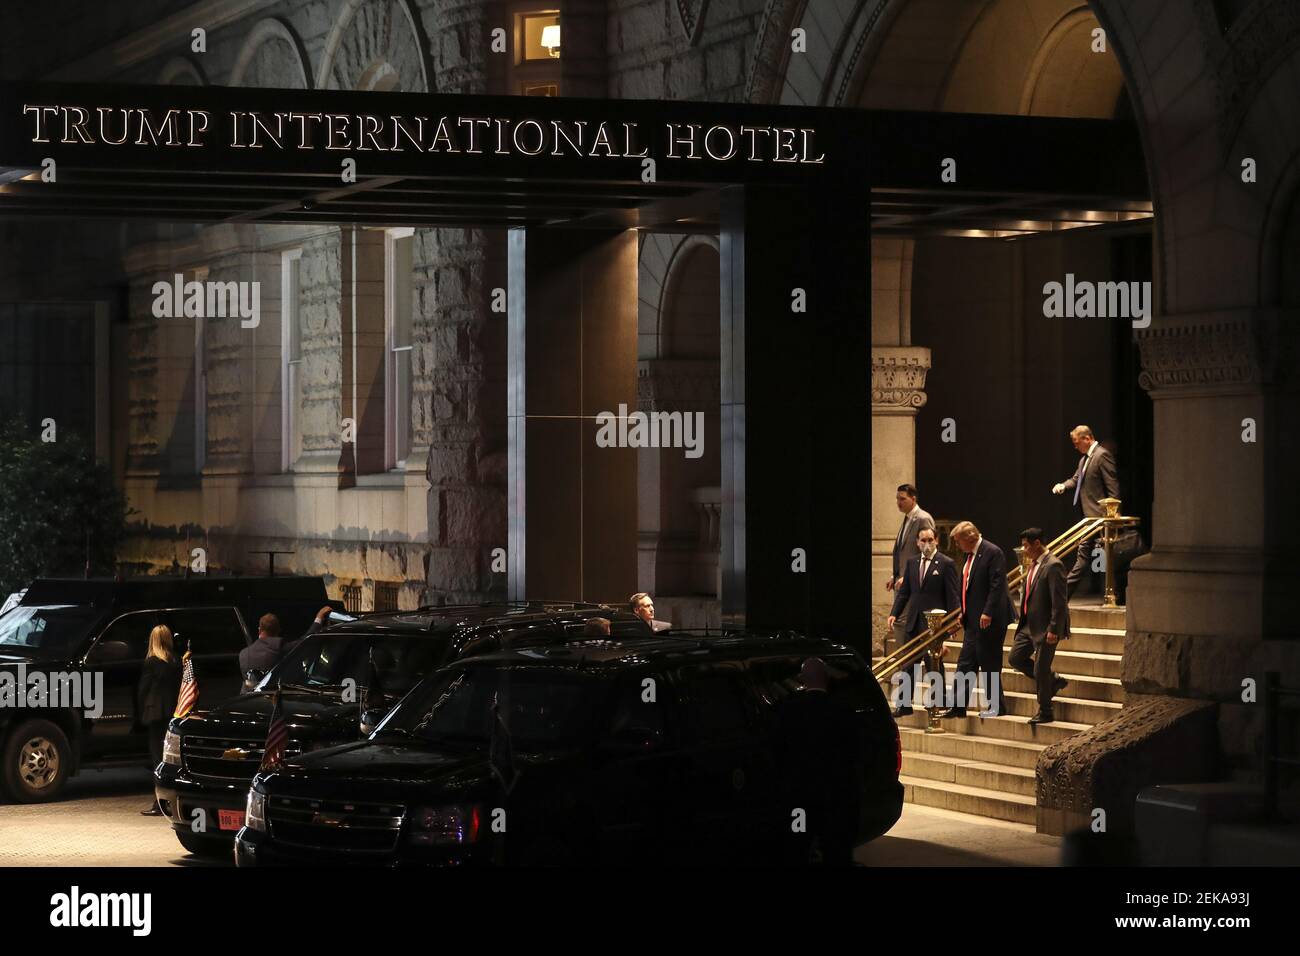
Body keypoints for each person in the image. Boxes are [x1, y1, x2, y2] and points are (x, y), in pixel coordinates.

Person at [770, 658, 863, 865]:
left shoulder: (788, 712)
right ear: (827, 679)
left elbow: (778, 752)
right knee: (836, 851)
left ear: (802, 679)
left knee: (797, 846)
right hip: (834, 801)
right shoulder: (842, 711)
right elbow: (855, 752)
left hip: (799, 802)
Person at [940, 521, 1014, 719]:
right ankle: (958, 706)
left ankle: (997, 706)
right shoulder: (970, 555)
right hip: (972, 619)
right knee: (966, 663)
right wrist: (961, 613)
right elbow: (967, 588)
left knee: (989, 662)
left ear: (969, 537)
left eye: (958, 541)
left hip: (990, 619)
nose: (956, 545)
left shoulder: (992, 552)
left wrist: (987, 612)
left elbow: (997, 585)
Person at [887, 525, 960, 717]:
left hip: (934, 624)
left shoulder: (946, 563)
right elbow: (905, 593)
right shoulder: (912, 563)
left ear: (936, 540)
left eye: (930, 540)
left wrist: (953, 622)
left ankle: (939, 700)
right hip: (913, 622)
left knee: (933, 663)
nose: (927, 544)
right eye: (923, 540)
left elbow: (952, 596)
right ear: (917, 542)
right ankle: (904, 704)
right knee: (908, 664)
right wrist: (894, 612)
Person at [1008, 528, 1071, 724]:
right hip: (1029, 625)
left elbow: (1059, 601)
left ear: (1037, 544)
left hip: (1046, 628)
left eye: (1026, 545)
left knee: (1040, 669)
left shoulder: (1053, 565)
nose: (1024, 549)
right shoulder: (1034, 564)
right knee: (1015, 658)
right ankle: (1053, 680)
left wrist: (1054, 629)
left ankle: (1046, 710)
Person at [1051, 425, 1120, 596]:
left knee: (1091, 558)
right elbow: (1076, 480)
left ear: (1087, 438)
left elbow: (1112, 485)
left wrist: (1114, 511)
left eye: (1076, 443)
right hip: (1088, 518)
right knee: (1094, 558)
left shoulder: (1101, 455)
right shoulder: (1084, 459)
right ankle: (1066, 595)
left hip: (1098, 517)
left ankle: (1062, 595)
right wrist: (1062, 486)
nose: (1075, 447)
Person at [137, 624, 182, 816]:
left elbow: (143, 690)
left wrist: (141, 712)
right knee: (170, 759)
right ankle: (172, 799)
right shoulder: (176, 661)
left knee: (157, 758)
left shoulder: (151, 662)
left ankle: (159, 802)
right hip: (173, 713)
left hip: (155, 714)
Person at [238, 605, 332, 679]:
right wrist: (319, 617)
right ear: (278, 631)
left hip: (247, 699)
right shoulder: (279, 648)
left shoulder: (243, 654)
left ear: (259, 630)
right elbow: (306, 640)